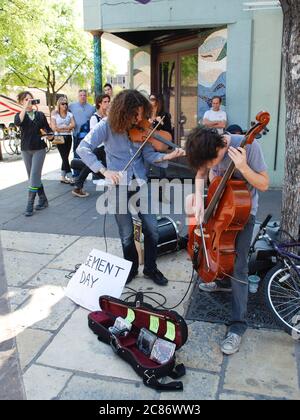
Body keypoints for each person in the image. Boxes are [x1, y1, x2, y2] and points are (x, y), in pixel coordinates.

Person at [77, 89, 185, 285]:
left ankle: (151, 269)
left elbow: (149, 156)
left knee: (152, 229)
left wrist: (167, 156)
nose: (139, 119)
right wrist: (104, 171)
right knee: (126, 233)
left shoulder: (142, 128)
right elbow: (82, 148)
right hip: (118, 184)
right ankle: (131, 268)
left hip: (140, 182)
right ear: (123, 111)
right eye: (134, 114)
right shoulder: (106, 126)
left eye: (141, 114)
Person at [185, 127, 269, 355]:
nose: (212, 166)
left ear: (220, 147)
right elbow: (200, 175)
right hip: (219, 202)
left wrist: (242, 167)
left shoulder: (249, 146)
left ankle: (238, 326)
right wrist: (201, 205)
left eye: (213, 161)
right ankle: (221, 280)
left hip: (243, 211)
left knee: (240, 266)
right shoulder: (206, 145)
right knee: (221, 250)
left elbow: (263, 184)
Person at [14, 91, 53, 216]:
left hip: (39, 148)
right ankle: (43, 199)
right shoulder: (19, 115)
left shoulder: (40, 115)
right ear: (21, 102)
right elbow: (18, 123)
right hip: (26, 149)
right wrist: (25, 108)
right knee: (32, 177)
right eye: (26, 100)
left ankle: (30, 203)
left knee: (35, 174)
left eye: (31, 99)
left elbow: (48, 130)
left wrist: (50, 136)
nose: (29, 102)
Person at [72, 94, 110, 198]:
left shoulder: (107, 117)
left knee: (90, 166)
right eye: (105, 102)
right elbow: (94, 134)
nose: (107, 104)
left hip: (105, 147)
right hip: (99, 147)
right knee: (94, 166)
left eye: (108, 101)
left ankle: (78, 186)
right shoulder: (95, 117)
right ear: (100, 104)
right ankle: (78, 185)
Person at [68, 89, 95, 176]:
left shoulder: (91, 108)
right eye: (81, 95)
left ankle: (84, 174)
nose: (83, 97)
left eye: (84, 95)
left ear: (86, 96)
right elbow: (62, 111)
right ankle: (76, 175)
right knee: (76, 154)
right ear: (78, 96)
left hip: (87, 136)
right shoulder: (71, 106)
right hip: (76, 134)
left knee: (87, 155)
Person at [51, 97, 75, 184]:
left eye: (66, 104)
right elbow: (53, 127)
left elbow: (73, 124)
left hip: (68, 137)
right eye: (62, 104)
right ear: (59, 105)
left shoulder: (69, 114)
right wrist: (67, 128)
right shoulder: (55, 114)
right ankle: (70, 176)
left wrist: (62, 128)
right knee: (64, 157)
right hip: (58, 138)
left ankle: (62, 176)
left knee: (65, 157)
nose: (65, 105)